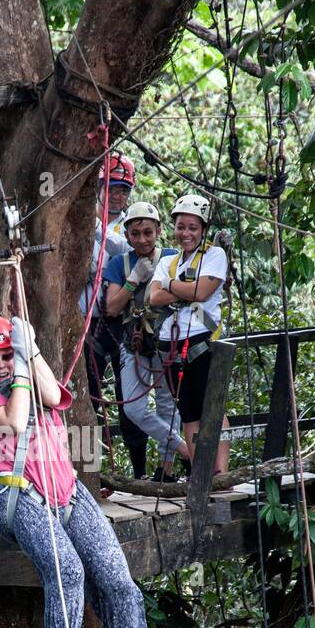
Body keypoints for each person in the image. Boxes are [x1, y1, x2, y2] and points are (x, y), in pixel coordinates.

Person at [0, 314, 152, 628]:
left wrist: (28, 349)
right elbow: (13, 422)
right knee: (67, 570)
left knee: (115, 571)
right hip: (19, 496)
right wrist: (19, 369)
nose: (2, 365)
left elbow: (52, 394)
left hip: (67, 492)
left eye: (5, 356)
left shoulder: (26, 369)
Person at [102, 201, 191, 481]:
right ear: (127, 235)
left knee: (168, 404)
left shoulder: (173, 259)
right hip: (135, 344)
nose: (142, 239)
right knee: (133, 408)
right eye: (136, 233)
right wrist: (133, 281)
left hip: (168, 341)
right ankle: (186, 450)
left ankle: (166, 470)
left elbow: (192, 293)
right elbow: (112, 308)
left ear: (158, 232)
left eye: (148, 233)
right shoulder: (121, 263)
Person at [148, 194, 231, 476]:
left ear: (203, 230)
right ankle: (201, 474)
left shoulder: (214, 255)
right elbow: (154, 297)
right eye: (181, 226)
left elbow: (201, 292)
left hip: (202, 342)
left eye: (193, 228)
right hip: (171, 346)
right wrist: (178, 285)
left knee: (213, 410)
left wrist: (171, 285)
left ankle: (220, 475)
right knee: (189, 412)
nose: (186, 233)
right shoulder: (169, 261)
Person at [81, 152, 148, 479]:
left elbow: (126, 249)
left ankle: (139, 472)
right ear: (100, 187)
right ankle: (87, 474)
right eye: (112, 187)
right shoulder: (81, 221)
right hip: (86, 321)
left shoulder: (132, 225)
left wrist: (92, 225)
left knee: (130, 398)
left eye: (123, 189)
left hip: (122, 321)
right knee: (85, 399)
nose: (118, 195)